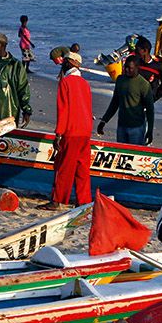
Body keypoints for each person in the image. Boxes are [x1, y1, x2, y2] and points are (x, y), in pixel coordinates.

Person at [48, 50, 93, 208]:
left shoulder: (66, 82)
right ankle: (84, 201)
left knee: (64, 167)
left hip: (71, 131)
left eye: (65, 62)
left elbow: (63, 110)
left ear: (70, 63)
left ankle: (57, 200)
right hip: (85, 131)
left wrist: (58, 134)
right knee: (82, 169)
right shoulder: (85, 84)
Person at [98, 54, 153, 145]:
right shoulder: (120, 80)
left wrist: (150, 131)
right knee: (121, 156)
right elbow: (114, 102)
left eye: (130, 68)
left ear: (137, 68)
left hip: (137, 128)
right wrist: (104, 120)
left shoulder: (144, 85)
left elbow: (150, 109)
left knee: (134, 155)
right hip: (121, 126)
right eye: (125, 67)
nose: (126, 70)